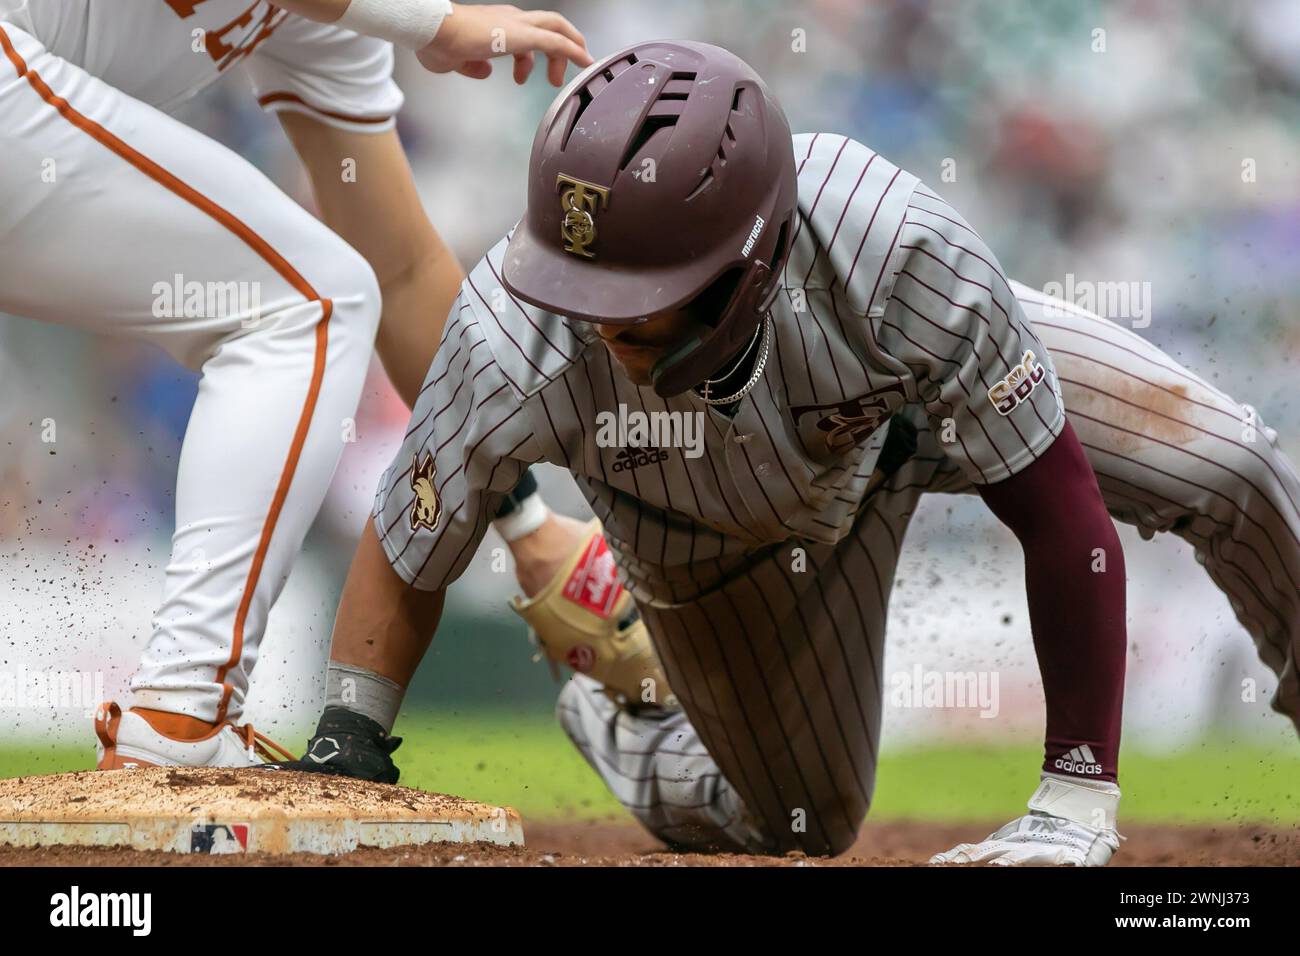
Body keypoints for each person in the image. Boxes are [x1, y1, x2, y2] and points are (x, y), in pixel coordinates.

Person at [275, 39, 1300, 865]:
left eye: (630, 299)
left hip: (916, 383)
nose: (592, 323)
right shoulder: (510, 330)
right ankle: (617, 696)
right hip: (712, 524)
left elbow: (1056, 502)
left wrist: (1075, 795)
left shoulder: (894, 244)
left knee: (1229, 461)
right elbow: (418, 525)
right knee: (797, 820)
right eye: (575, 283)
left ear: (749, 263)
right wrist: (350, 737)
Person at [0, 0, 592, 768]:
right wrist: (435, 24)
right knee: (307, 302)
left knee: (322, 292)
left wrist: (528, 524)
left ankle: (184, 718)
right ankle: (182, 717)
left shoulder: (336, 18)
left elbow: (404, 268)